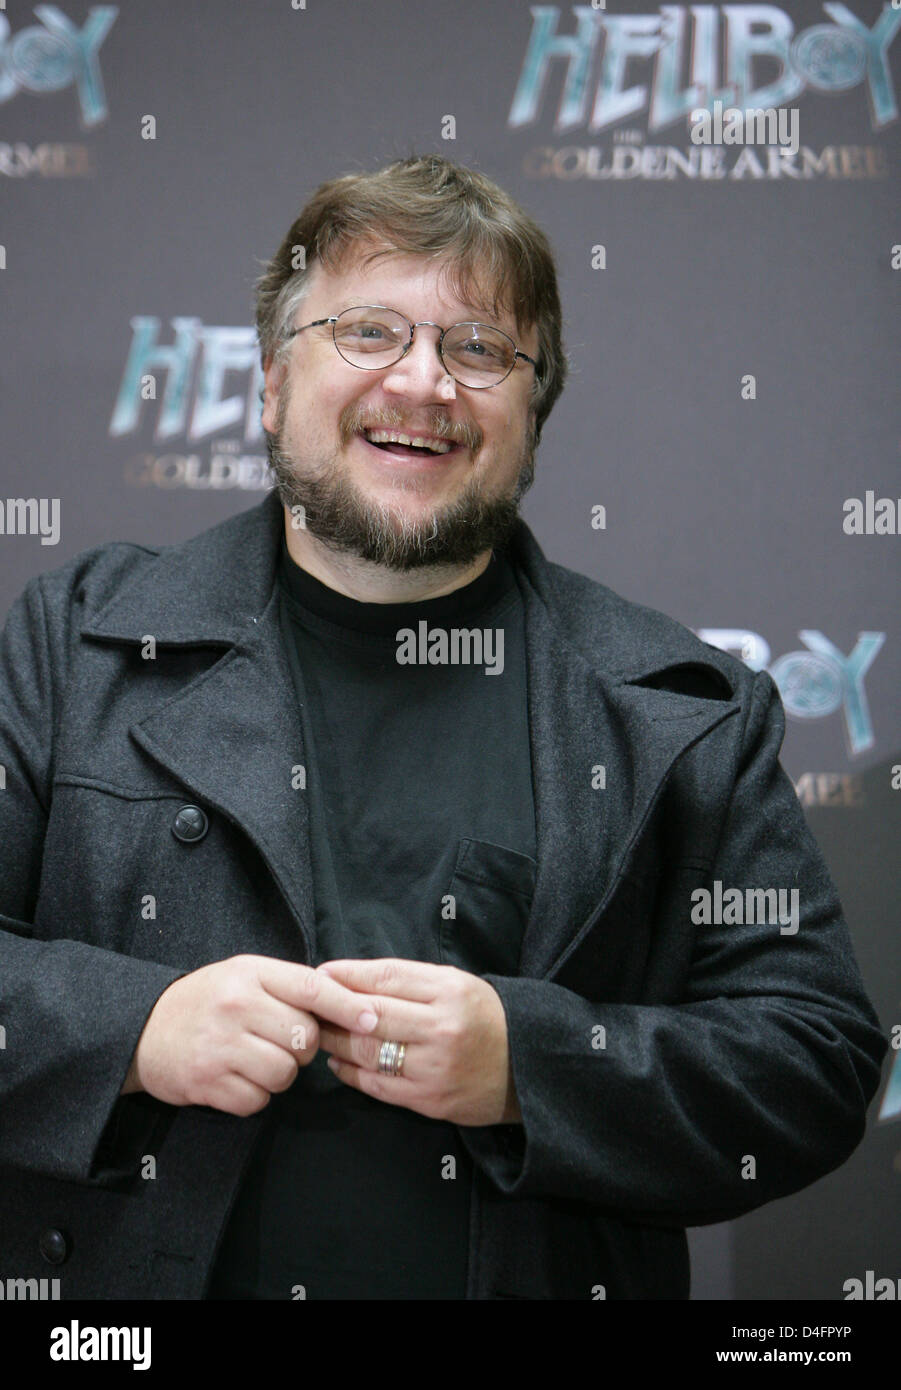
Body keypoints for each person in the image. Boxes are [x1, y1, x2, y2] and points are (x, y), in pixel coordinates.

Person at [0, 155, 887, 1301]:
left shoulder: (680, 706)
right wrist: (134, 1030)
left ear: (532, 412)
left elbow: (812, 1063)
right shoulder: (74, 645)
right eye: (367, 331)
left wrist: (532, 1064)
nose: (422, 383)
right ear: (270, 382)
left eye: (478, 349)